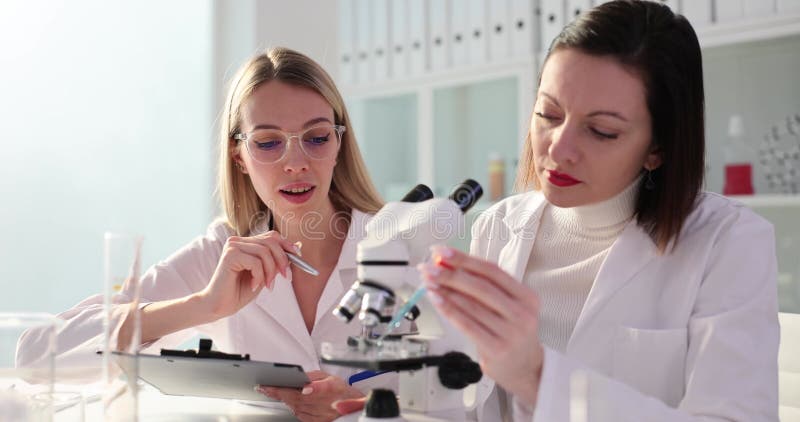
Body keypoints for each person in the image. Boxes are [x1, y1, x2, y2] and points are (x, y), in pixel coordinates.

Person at [411, 1, 778, 421]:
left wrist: (537, 374)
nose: (558, 149)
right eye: (548, 114)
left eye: (602, 131)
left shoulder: (729, 244)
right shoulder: (498, 226)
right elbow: (475, 404)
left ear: (658, 148)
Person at [18, 47, 388, 422]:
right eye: (267, 142)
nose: (295, 163)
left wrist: (365, 407)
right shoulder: (221, 256)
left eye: (317, 137)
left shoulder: (403, 247)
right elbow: (36, 358)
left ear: (339, 143)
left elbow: (450, 398)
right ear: (238, 155)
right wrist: (204, 305)